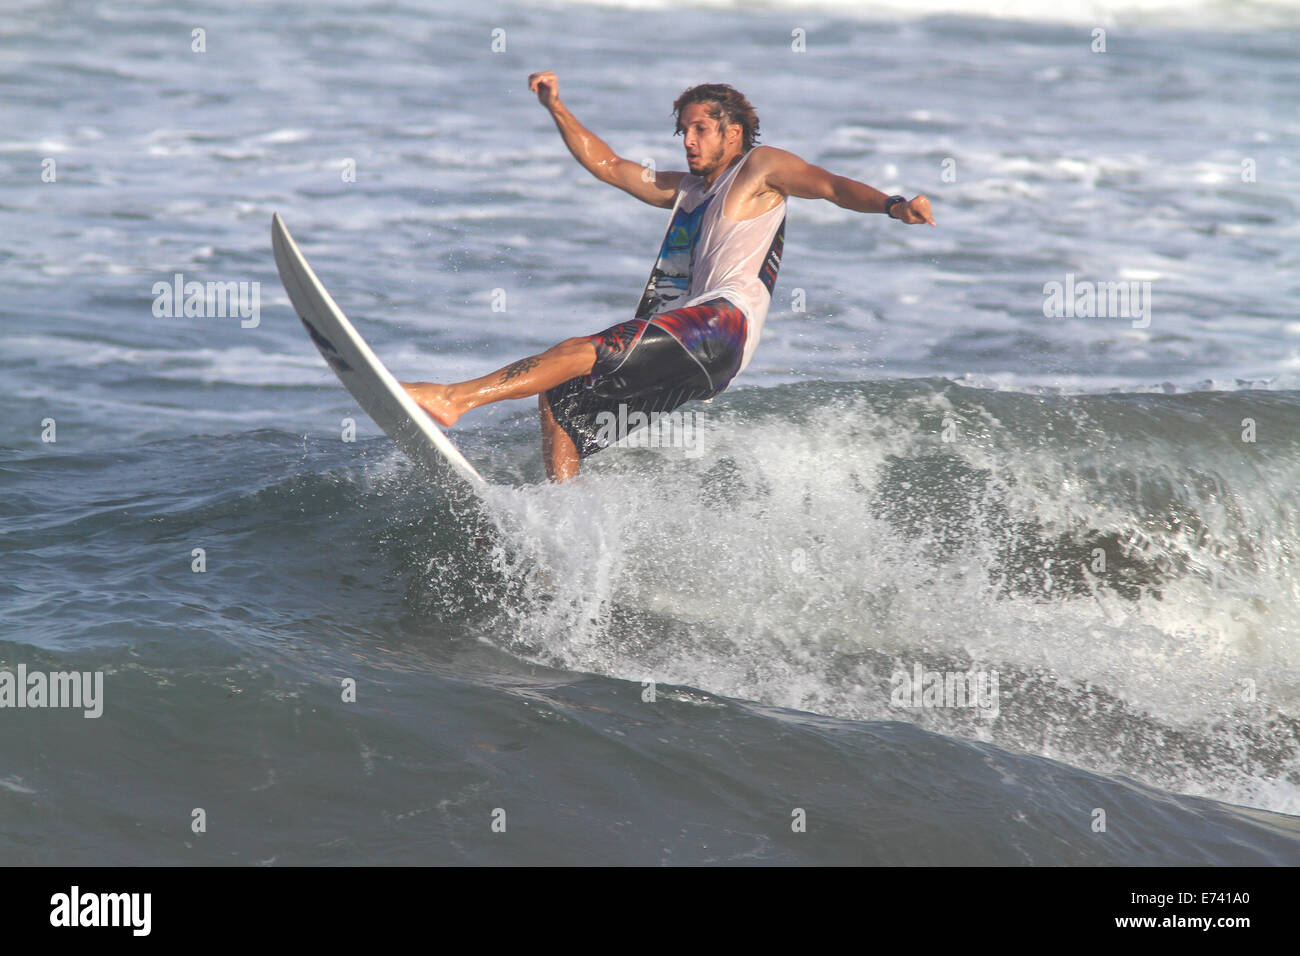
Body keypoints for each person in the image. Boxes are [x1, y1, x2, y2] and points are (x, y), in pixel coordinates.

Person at [403, 71, 935, 481]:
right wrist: (556, 107)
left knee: (586, 348)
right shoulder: (690, 190)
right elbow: (610, 166)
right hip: (704, 353)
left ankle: (455, 399)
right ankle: (562, 521)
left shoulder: (760, 168)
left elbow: (832, 185)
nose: (689, 141)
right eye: (684, 131)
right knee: (563, 399)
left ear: (735, 131)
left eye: (701, 129)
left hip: (723, 324)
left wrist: (893, 205)